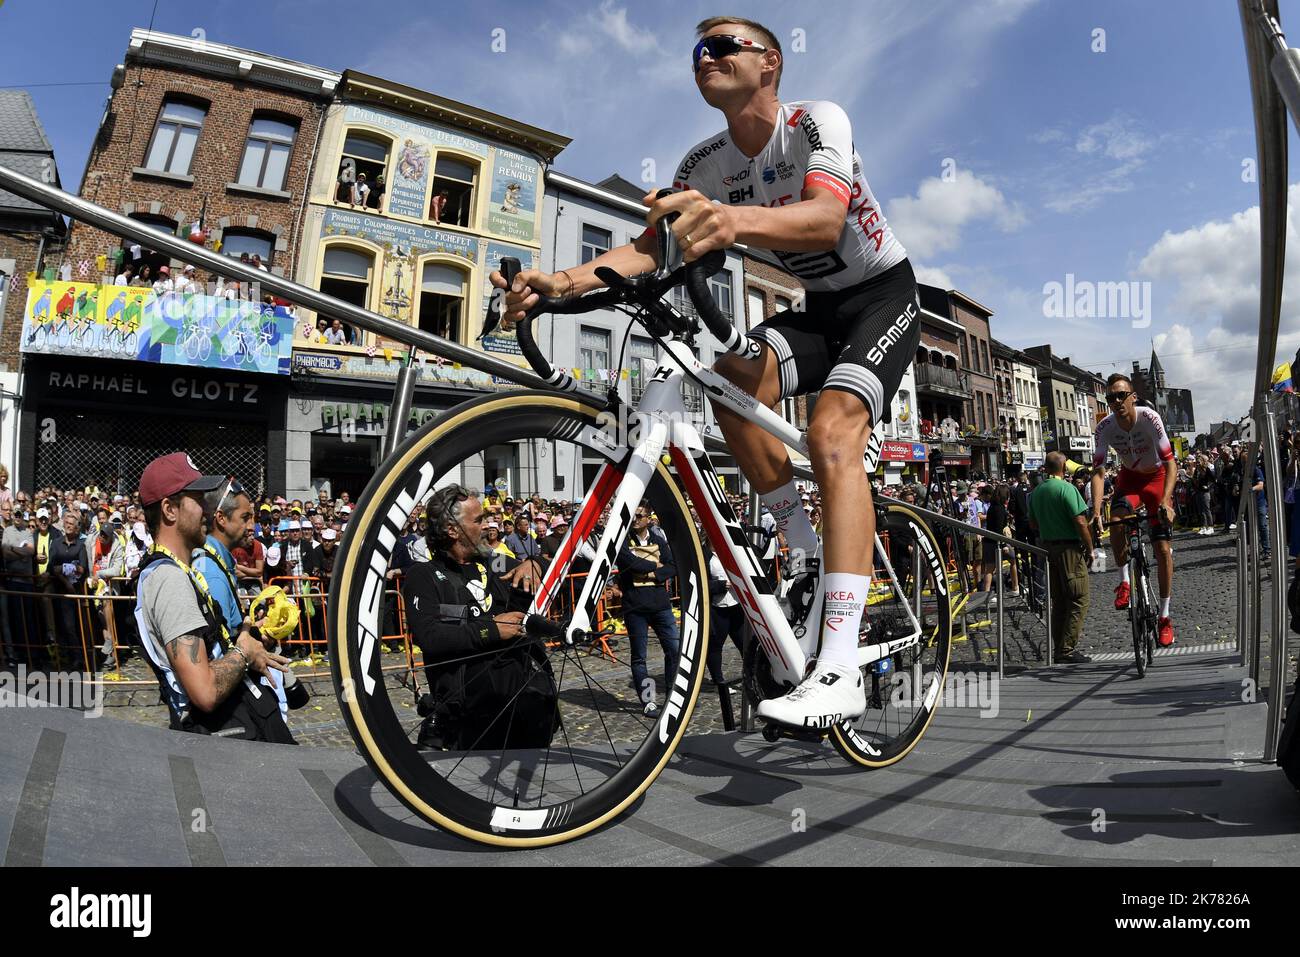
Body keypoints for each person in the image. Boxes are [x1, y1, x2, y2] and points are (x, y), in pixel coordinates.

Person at [494, 16, 919, 727]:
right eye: (697, 51)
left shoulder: (816, 123)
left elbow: (822, 219)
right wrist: (560, 286)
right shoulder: (703, 165)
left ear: (771, 63)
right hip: (819, 308)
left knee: (832, 431)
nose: (705, 58)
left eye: (722, 46)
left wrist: (726, 222)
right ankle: (807, 549)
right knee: (727, 379)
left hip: (881, 294)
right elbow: (645, 249)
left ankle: (842, 666)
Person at [133, 453, 292, 739]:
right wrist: (245, 652)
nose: (208, 510)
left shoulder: (176, 571)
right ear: (170, 509)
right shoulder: (168, 580)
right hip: (225, 735)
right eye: (198, 500)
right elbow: (204, 690)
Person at [403, 484, 554, 750]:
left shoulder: (492, 563)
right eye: (479, 520)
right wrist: (492, 630)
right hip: (468, 716)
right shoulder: (423, 576)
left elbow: (553, 569)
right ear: (453, 530)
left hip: (522, 706)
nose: (487, 525)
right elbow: (430, 636)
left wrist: (536, 564)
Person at [1090, 374, 1178, 647]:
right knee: (1116, 522)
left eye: (1121, 395)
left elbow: (1171, 463)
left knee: (1162, 550)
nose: (1116, 401)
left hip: (1156, 479)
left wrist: (1165, 501)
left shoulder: (1149, 417)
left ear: (1132, 397)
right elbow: (1098, 471)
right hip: (1130, 480)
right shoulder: (1104, 427)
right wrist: (1095, 510)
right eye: (1110, 397)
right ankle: (1124, 581)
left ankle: (1164, 617)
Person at [1029, 451, 1094, 663]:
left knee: (1059, 601)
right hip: (1069, 549)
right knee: (1079, 598)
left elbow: (1033, 523)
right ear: (1064, 468)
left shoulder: (1037, 491)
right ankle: (1066, 649)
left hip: (1048, 548)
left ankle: (1058, 647)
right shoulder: (1067, 488)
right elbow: (1081, 522)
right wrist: (1090, 547)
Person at [617, 502, 681, 717]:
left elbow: (673, 566)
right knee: (639, 657)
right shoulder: (623, 540)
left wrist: (652, 573)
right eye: (632, 516)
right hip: (635, 606)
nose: (635, 519)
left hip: (660, 604)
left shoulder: (659, 540)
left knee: (674, 649)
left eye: (639, 515)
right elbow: (630, 563)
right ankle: (648, 701)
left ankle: (673, 695)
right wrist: (655, 566)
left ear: (648, 518)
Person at [48, 509, 88, 669]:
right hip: (58, 590)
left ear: (77, 528)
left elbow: (82, 569)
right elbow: (51, 567)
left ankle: (78, 657)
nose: (69, 526)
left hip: (74, 592)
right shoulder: (56, 543)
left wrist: (62, 568)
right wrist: (67, 572)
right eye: (67, 523)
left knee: (71, 626)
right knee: (58, 626)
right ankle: (61, 657)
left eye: (72, 524)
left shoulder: (81, 546)